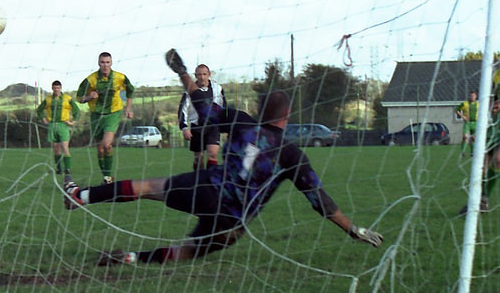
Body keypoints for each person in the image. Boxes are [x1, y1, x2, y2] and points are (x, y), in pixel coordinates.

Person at [62, 48, 383, 265]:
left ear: (261, 112)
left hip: (206, 188)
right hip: (233, 222)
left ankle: (80, 196)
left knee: (147, 188)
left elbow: (201, 102)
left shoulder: (242, 121)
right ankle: (131, 258)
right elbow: (320, 201)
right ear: (286, 118)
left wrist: (182, 72)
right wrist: (353, 229)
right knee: (188, 250)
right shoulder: (292, 154)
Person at [462, 42, 500, 214]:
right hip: (498, 124)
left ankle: (483, 199)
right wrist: (494, 106)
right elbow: (493, 100)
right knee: (480, 164)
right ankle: (477, 201)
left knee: (499, 158)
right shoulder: (498, 75)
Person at [76, 51, 134, 184]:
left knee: (107, 145)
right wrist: (89, 97)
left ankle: (107, 179)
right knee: (100, 150)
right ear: (98, 63)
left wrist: (128, 108)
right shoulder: (91, 79)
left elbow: (130, 90)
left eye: (108, 62)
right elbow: (79, 97)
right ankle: (106, 176)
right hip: (96, 115)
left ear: (111, 63)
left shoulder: (120, 77)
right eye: (102, 62)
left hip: (113, 113)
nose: (105, 65)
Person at [178, 63, 225, 169]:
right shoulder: (189, 91)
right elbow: (182, 110)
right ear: (195, 76)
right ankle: (198, 180)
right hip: (197, 127)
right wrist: (184, 127)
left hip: (214, 126)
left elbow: (224, 106)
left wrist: (225, 124)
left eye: (204, 74)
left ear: (209, 74)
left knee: (212, 154)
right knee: (198, 158)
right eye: (199, 74)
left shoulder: (217, 89)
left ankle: (210, 181)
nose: (202, 77)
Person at [36, 79, 81, 181]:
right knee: (56, 148)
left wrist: (73, 121)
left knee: (65, 148)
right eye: (54, 88)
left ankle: (67, 169)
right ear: (52, 88)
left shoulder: (67, 98)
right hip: (52, 125)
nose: (56, 89)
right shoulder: (48, 99)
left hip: (63, 125)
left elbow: (76, 110)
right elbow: (39, 110)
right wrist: (43, 118)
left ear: (60, 88)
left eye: (58, 88)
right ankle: (59, 169)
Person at [455, 90, 479, 156]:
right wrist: (463, 116)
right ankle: (462, 152)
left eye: (473, 96)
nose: (472, 97)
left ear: (476, 96)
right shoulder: (465, 104)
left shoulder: (478, 104)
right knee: (465, 137)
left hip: (475, 123)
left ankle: (472, 152)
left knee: (473, 138)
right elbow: (457, 110)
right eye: (471, 96)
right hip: (467, 123)